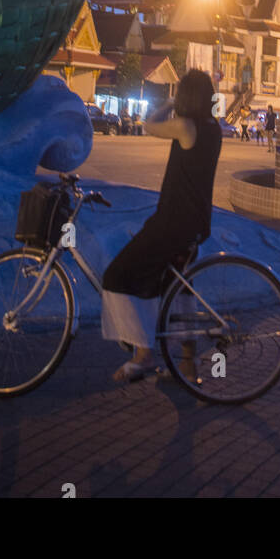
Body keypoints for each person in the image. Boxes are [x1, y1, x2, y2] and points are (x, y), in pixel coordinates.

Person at [101, 68, 221, 383]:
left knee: (116, 275)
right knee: (178, 289)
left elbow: (148, 124)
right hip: (196, 224)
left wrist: (168, 101)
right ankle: (187, 365)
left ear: (185, 97)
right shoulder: (214, 128)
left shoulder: (185, 126)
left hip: (172, 223)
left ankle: (142, 353)